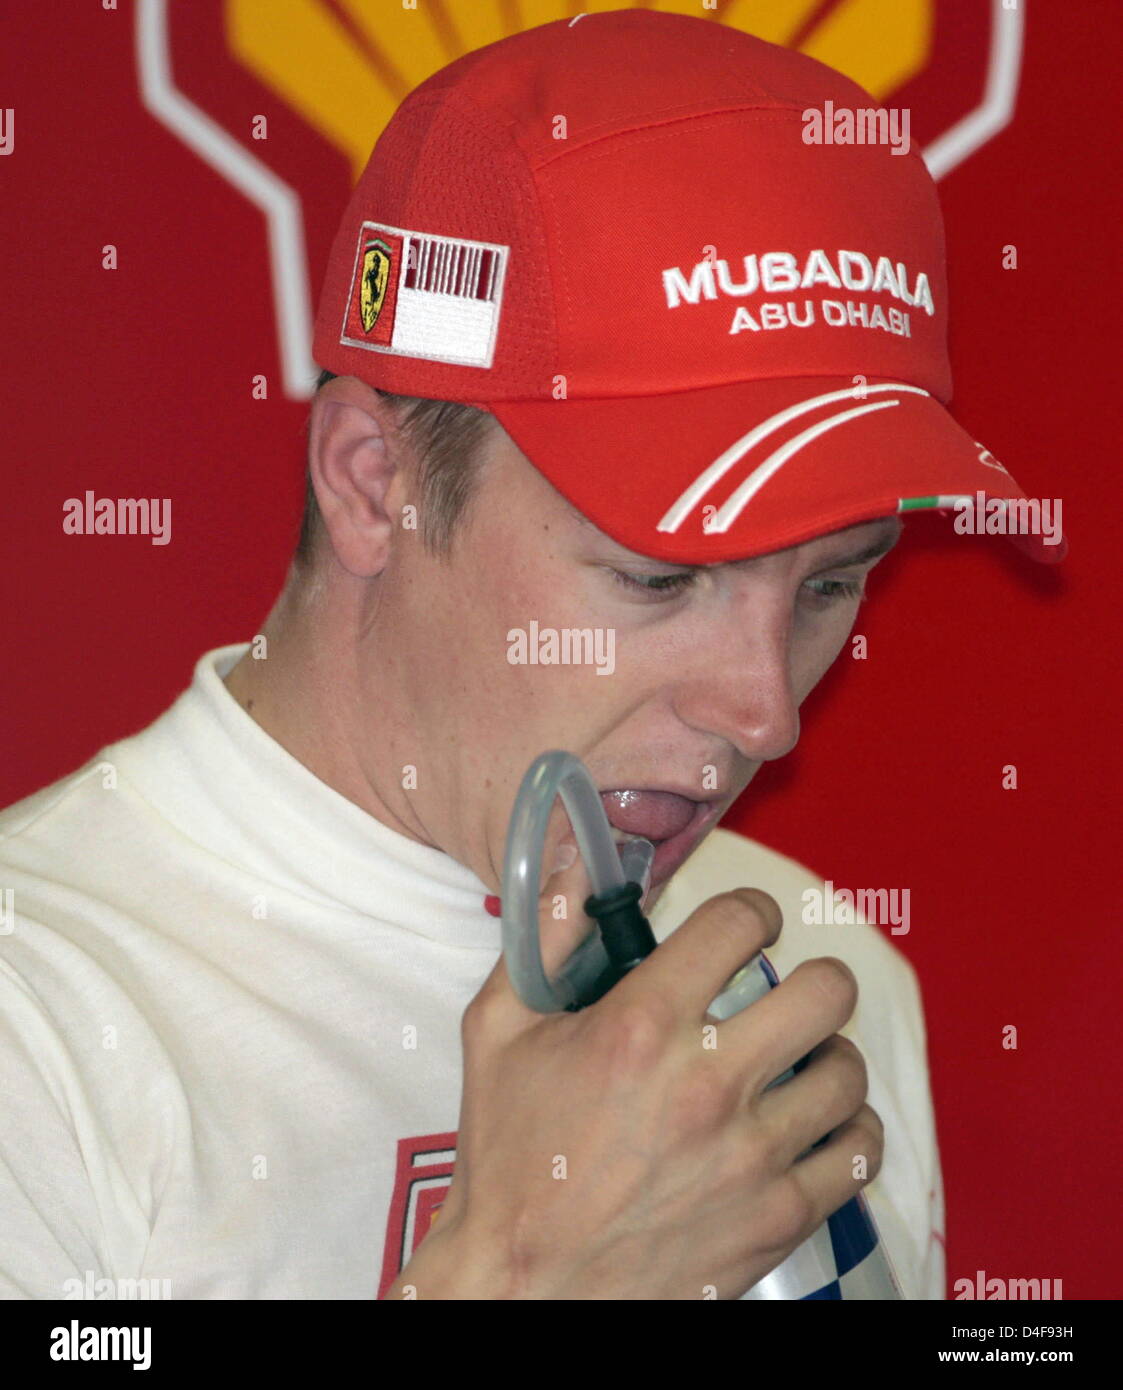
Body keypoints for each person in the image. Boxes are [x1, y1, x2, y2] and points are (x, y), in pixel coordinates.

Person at [0, 11, 1062, 1301]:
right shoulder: (42, 1032)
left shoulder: (815, 979)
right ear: (370, 482)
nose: (766, 714)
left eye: (831, 583)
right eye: (659, 577)